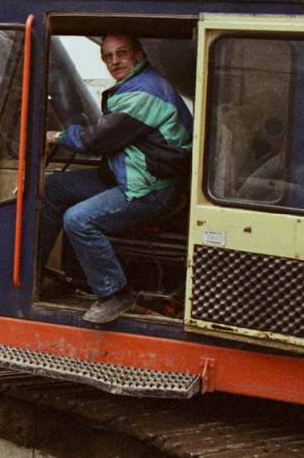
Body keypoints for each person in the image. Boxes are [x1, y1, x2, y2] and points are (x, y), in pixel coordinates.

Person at [41, 32, 193, 324]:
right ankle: (34, 272)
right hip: (128, 174)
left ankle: (115, 293)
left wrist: (58, 135)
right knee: (54, 187)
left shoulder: (146, 91)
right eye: (108, 56)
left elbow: (97, 139)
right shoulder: (135, 84)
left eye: (121, 53)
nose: (114, 61)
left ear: (138, 54)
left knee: (78, 219)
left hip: (152, 187)